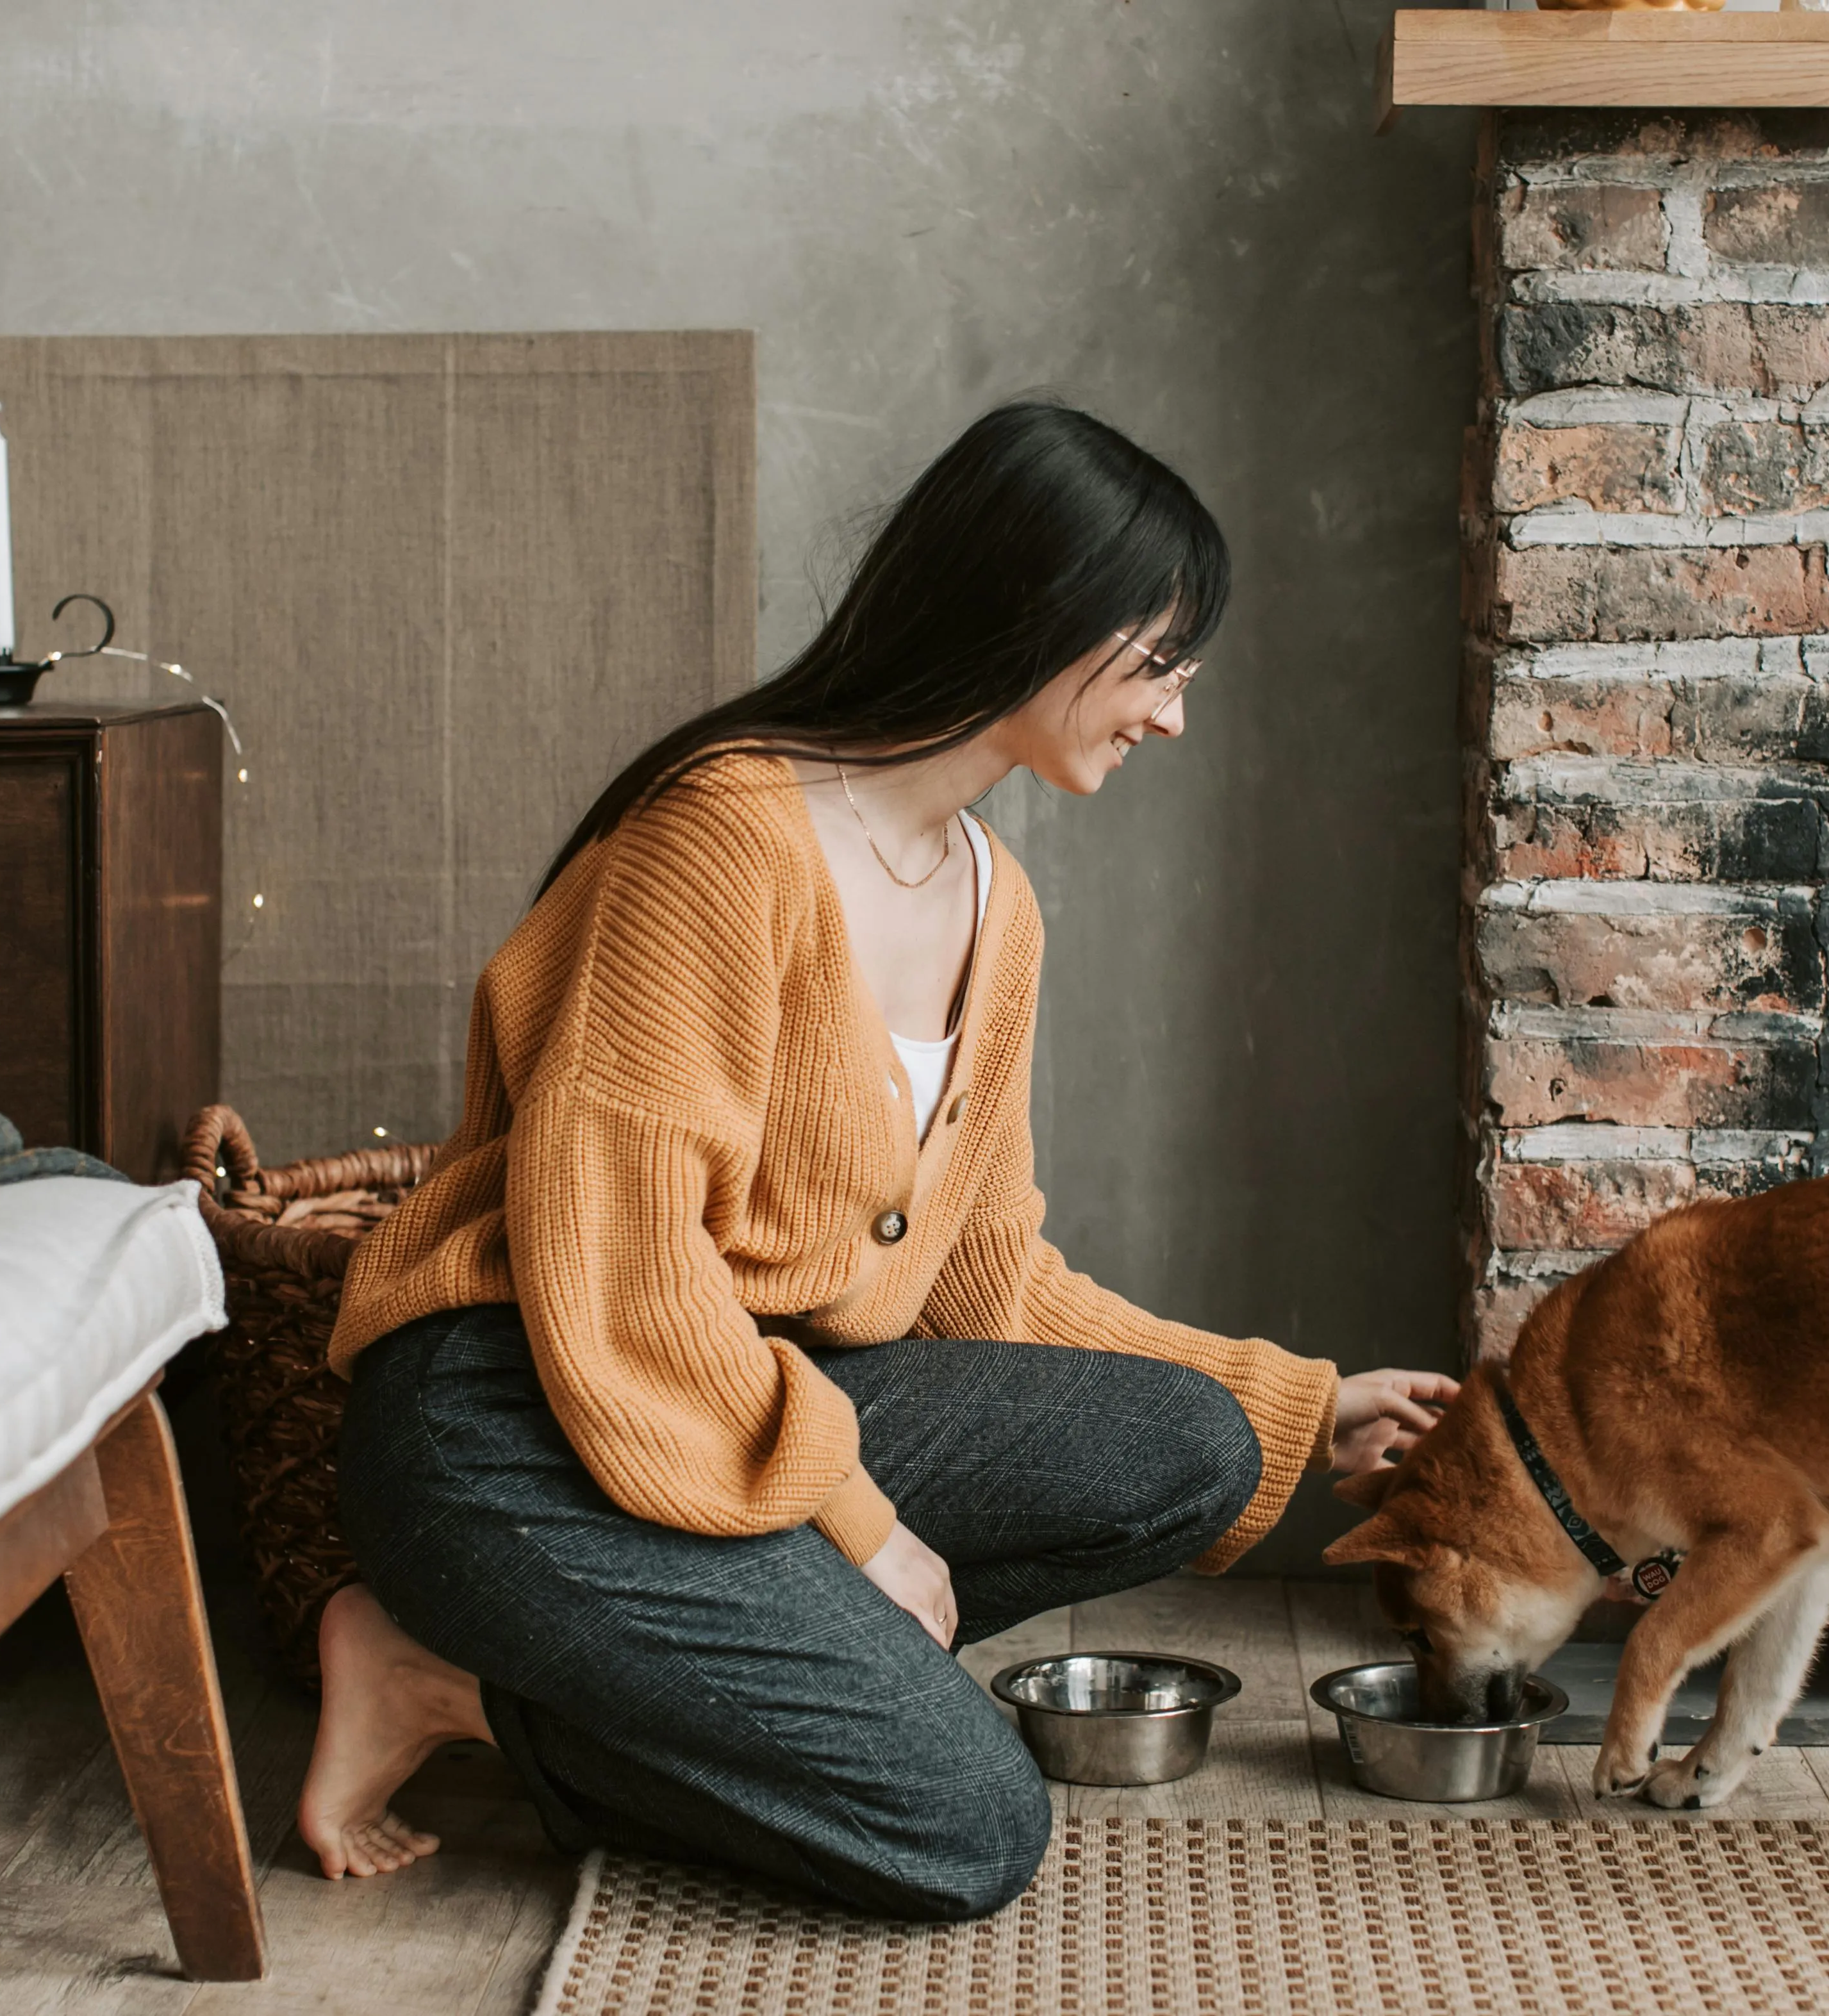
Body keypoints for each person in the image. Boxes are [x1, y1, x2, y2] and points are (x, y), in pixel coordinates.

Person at [294, 400, 1457, 1920]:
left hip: (734, 1400)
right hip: (513, 1418)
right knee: (969, 1826)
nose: (1173, 714)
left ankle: (651, 1681)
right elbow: (626, 1278)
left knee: (1197, 1448)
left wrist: (1298, 1407)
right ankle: (442, 1673)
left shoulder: (997, 901)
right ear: (1041, 617)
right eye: (1159, 662)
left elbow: (988, 1281)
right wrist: (860, 1520)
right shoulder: (722, 838)